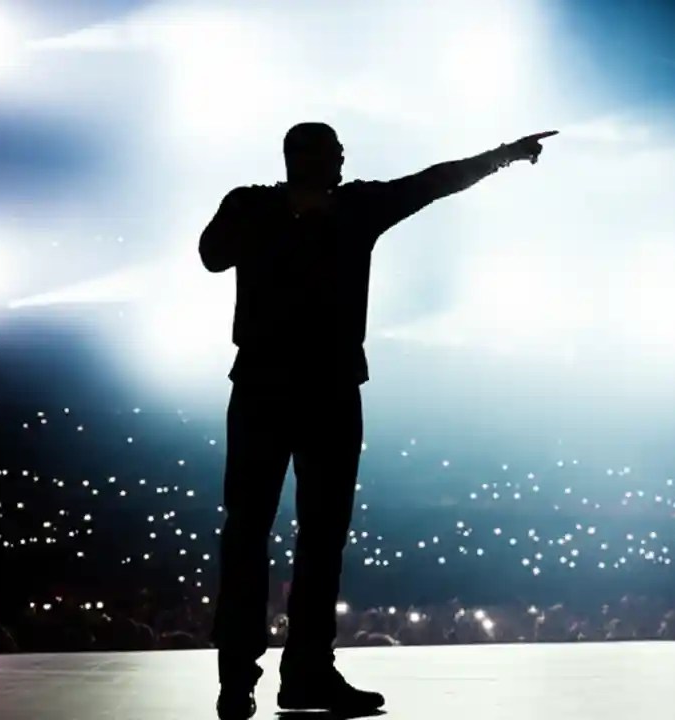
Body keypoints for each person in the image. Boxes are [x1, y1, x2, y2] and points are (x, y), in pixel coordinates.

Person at [200, 122, 557, 718]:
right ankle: (258, 676)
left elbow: (433, 183)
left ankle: (290, 675)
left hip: (313, 388)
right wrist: (289, 219)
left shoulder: (351, 206)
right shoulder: (258, 206)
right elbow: (213, 255)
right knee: (258, 535)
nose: (342, 162)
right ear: (305, 159)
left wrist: (501, 157)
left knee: (307, 537)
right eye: (333, 154)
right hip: (282, 387)